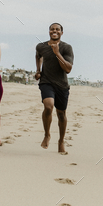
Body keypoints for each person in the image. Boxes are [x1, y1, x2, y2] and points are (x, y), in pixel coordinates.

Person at [35, 23, 74, 154]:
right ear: (49, 31)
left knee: (61, 114)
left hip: (62, 85)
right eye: (52, 29)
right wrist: (38, 70)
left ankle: (61, 141)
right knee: (48, 106)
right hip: (46, 82)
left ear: (62, 32)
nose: (54, 31)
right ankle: (47, 134)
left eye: (57, 29)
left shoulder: (67, 48)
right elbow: (38, 56)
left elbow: (68, 69)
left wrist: (57, 53)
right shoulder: (41, 46)